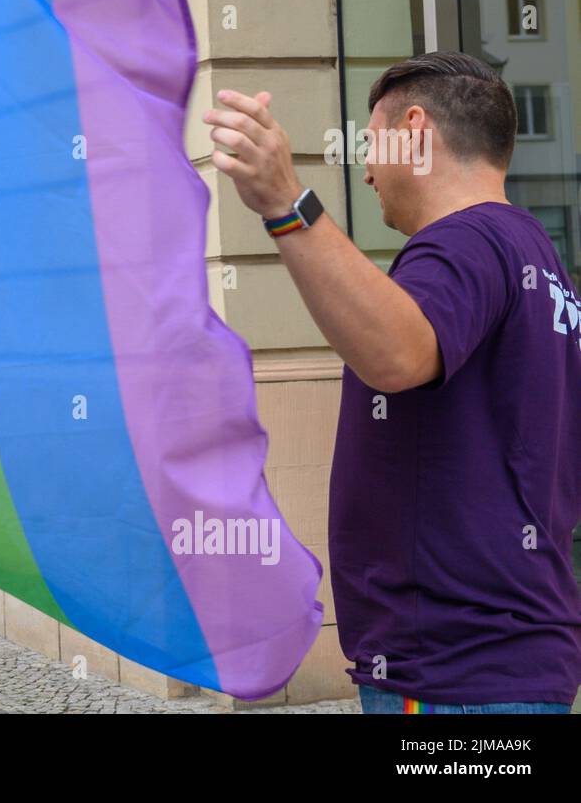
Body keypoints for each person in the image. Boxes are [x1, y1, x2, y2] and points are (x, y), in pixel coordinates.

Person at [205, 51, 581, 713]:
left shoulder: (465, 244)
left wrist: (287, 204)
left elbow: (397, 353)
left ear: (414, 130)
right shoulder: (538, 259)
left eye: (371, 143)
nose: (369, 171)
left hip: (454, 674)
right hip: (510, 662)